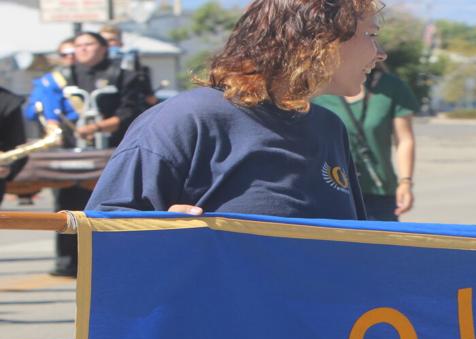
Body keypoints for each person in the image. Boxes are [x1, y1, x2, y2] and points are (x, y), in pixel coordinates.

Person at [89, 0, 379, 222]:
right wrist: (159, 234)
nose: (380, 53)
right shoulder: (186, 119)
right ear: (319, 39)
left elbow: (351, 242)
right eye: (371, 34)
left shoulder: (329, 127)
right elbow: (100, 228)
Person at [42, 31, 153, 275]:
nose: (82, 49)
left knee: (110, 204)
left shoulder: (123, 74)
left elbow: (132, 111)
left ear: (103, 48)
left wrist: (99, 127)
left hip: (112, 150)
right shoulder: (64, 76)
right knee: (67, 203)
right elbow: (47, 106)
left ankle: (111, 259)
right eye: (78, 45)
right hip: (72, 151)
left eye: (88, 44)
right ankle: (68, 261)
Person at [313, 60, 419, 221]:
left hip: (379, 193)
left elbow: (405, 140)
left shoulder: (392, 87)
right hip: (330, 190)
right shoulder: (317, 87)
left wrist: (406, 182)